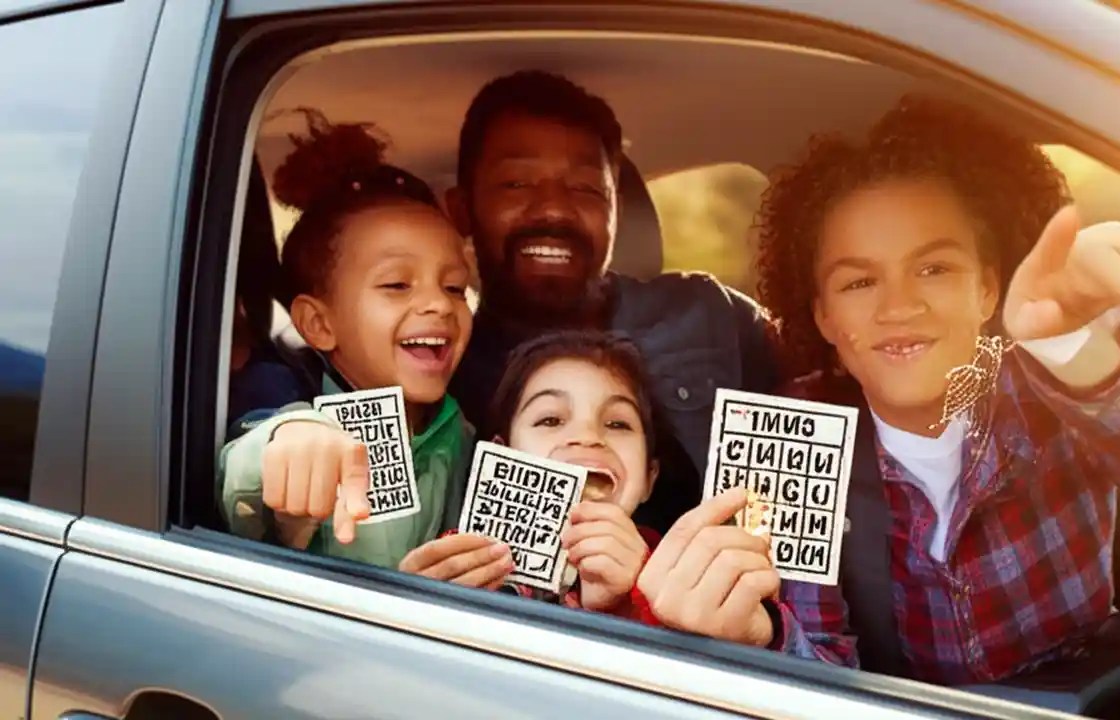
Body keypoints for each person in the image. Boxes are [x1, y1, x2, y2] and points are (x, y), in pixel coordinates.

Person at [713, 94, 1120, 684]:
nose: (900, 305)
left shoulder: (1054, 377)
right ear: (824, 318)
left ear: (987, 289)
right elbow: (813, 676)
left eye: (934, 268)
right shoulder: (787, 433)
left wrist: (1079, 351)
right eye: (858, 282)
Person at [443, 70, 778, 535]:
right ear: (461, 209)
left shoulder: (708, 314)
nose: (555, 210)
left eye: (585, 188)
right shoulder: (437, 364)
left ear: (616, 210)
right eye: (517, 185)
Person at [217, 111, 477, 571]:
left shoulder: (464, 438)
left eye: (456, 287)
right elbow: (247, 467)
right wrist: (289, 442)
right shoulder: (294, 413)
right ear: (318, 324)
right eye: (397, 284)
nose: (439, 304)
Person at [411, 330, 667, 621]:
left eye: (618, 423)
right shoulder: (463, 557)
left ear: (649, 477)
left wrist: (627, 603)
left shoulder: (672, 581)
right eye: (551, 420)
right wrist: (417, 599)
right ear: (501, 459)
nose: (587, 436)